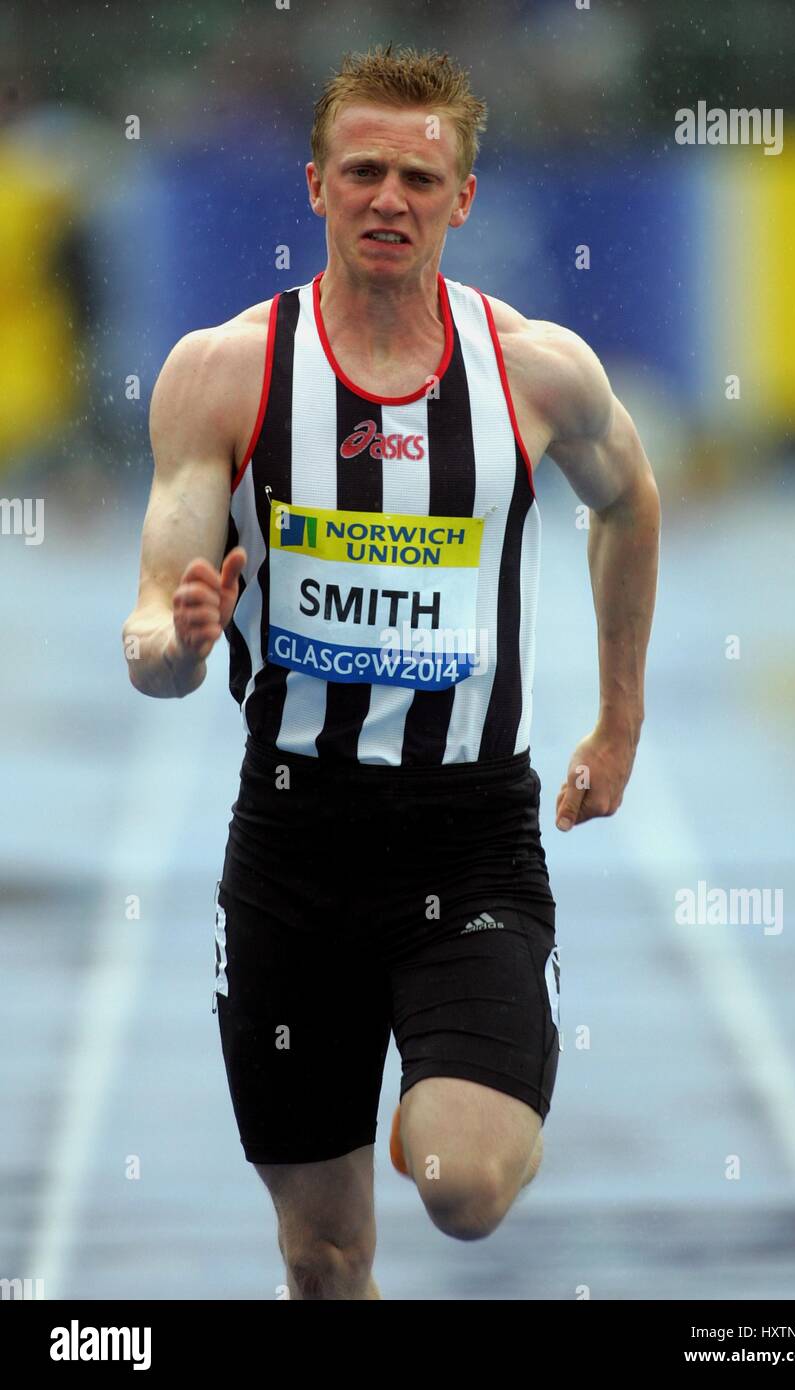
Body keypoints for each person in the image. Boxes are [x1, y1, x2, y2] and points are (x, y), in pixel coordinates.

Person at [122, 42, 660, 1301]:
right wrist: (183, 642)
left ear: (461, 199)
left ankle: (464, 1058)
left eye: (417, 178)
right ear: (313, 184)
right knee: (323, 1254)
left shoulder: (535, 373)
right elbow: (151, 635)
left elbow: (628, 502)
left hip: (465, 836)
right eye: (360, 171)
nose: (387, 199)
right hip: (292, 846)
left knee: (458, 1179)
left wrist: (618, 719)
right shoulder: (224, 374)